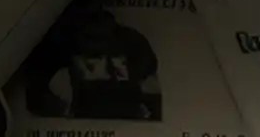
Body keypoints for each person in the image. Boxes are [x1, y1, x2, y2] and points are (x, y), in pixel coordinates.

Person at [23, 7, 161, 120]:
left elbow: (149, 71)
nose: (97, 46)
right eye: (92, 39)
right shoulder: (67, 41)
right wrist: (60, 110)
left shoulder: (130, 40)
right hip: (87, 116)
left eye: (102, 39)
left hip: (128, 114)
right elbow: (37, 81)